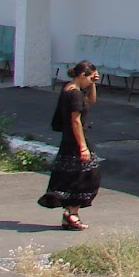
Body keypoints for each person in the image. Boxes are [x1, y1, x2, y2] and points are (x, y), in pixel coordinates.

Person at [38, 61, 101, 229]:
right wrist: (82, 147)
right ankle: (72, 213)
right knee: (86, 177)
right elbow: (76, 121)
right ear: (82, 75)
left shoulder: (69, 88)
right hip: (76, 141)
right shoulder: (75, 94)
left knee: (72, 177)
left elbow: (92, 100)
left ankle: (70, 214)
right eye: (89, 79)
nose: (90, 82)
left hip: (69, 140)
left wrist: (92, 84)